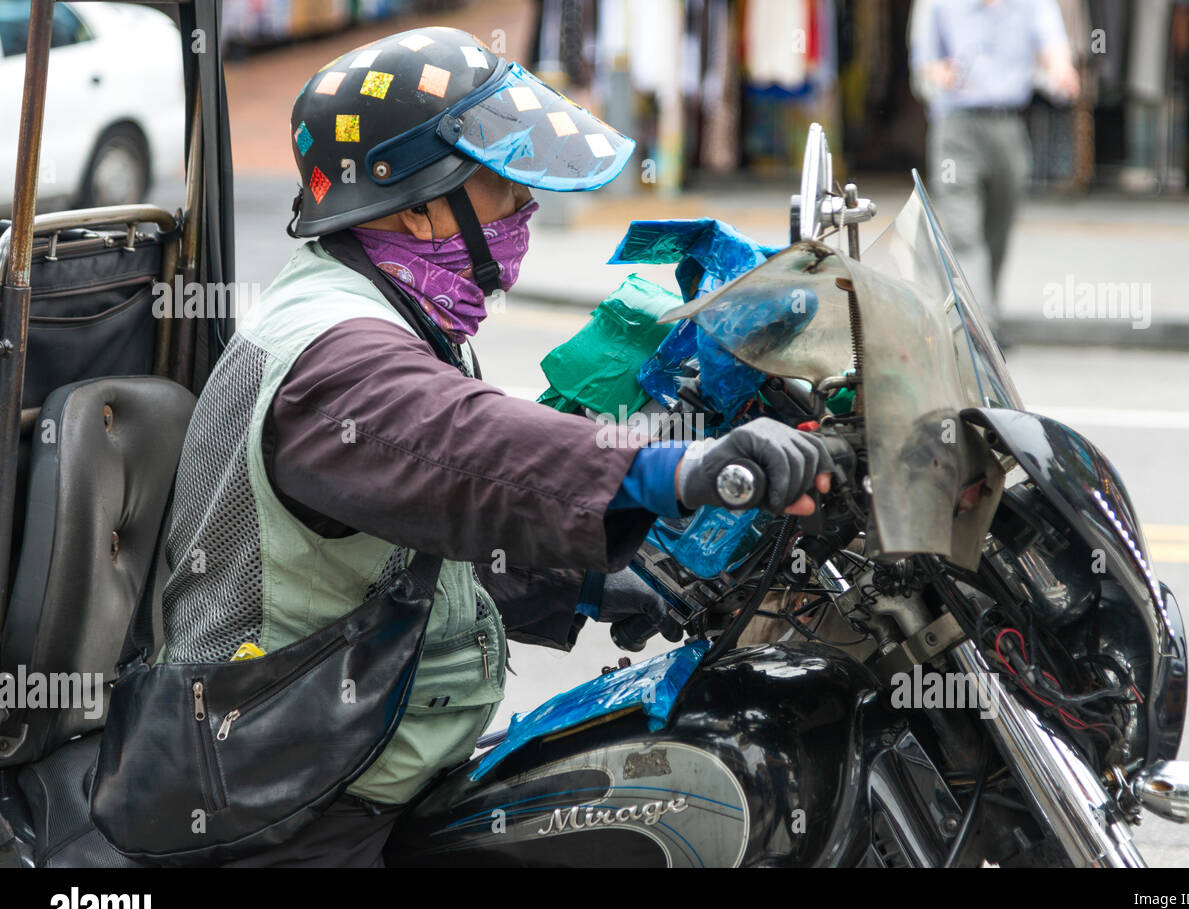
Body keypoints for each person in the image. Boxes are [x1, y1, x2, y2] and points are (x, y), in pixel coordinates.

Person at [157, 26, 829, 866]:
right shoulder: (334, 352)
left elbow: (420, 533)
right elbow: (467, 449)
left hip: (352, 751)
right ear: (416, 203)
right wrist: (678, 469)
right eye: (500, 184)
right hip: (280, 800)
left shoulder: (398, 309)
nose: (525, 207)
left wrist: (596, 581)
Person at [909, 0, 1080, 336]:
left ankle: (985, 314)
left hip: (1009, 128)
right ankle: (980, 330)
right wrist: (938, 73)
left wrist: (1061, 69)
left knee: (997, 232)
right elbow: (922, 63)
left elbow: (1052, 43)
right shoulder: (937, 4)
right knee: (963, 233)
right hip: (957, 129)